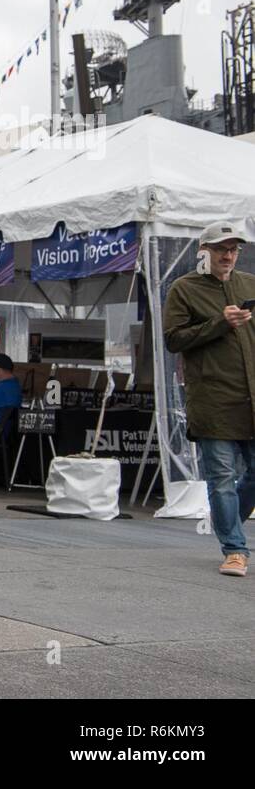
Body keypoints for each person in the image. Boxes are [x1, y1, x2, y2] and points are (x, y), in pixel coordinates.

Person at [164, 220, 255, 578]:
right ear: (204, 251)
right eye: (221, 249)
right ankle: (234, 548)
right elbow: (173, 339)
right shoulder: (183, 289)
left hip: (250, 398)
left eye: (233, 250)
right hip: (213, 400)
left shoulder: (249, 284)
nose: (228, 256)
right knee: (220, 478)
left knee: (248, 477)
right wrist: (220, 322)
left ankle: (227, 519)